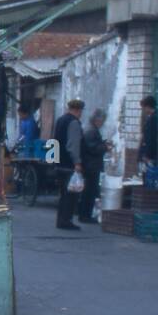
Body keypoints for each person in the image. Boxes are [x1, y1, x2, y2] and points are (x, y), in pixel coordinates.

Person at [53, 98, 86, 230]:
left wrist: (54, 160)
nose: (81, 114)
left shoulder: (60, 120)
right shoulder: (73, 123)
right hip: (68, 164)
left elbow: (54, 141)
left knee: (63, 194)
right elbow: (73, 145)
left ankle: (61, 220)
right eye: (81, 111)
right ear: (77, 110)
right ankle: (66, 221)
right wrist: (77, 162)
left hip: (59, 162)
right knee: (70, 195)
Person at [78, 108, 112, 224]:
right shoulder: (91, 131)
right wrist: (105, 147)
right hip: (91, 165)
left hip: (90, 165)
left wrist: (103, 144)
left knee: (90, 191)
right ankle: (85, 215)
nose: (102, 123)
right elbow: (92, 148)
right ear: (97, 120)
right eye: (102, 120)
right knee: (89, 191)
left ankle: (85, 214)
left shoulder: (91, 130)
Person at [139, 95, 158, 174]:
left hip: (151, 154)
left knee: (149, 173)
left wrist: (147, 154)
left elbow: (151, 138)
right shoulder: (152, 117)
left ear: (148, 106)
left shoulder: (153, 119)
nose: (143, 110)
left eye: (144, 108)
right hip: (150, 152)